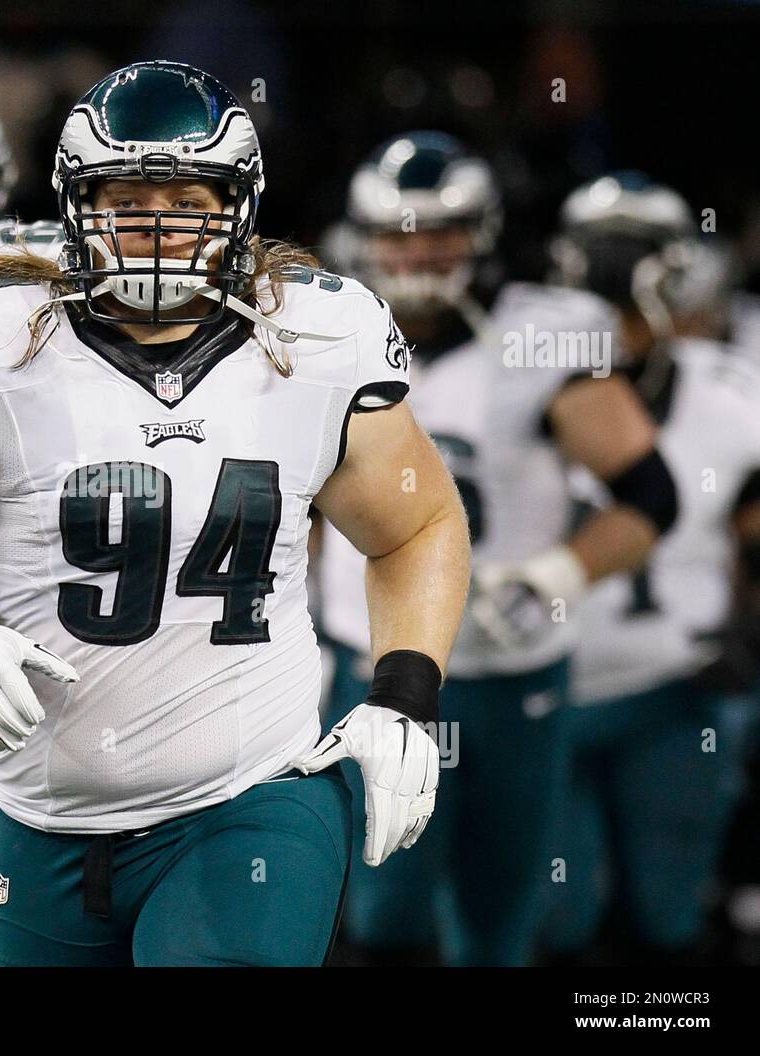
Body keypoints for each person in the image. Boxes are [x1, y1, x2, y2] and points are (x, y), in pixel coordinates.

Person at [0, 60, 471, 968]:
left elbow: (416, 526)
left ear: (238, 207)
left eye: (188, 198)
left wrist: (404, 695)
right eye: (126, 197)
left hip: (251, 796)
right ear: (74, 207)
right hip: (38, 817)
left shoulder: (320, 338)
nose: (158, 225)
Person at [316, 134, 680, 966]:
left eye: (440, 230)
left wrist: (560, 572)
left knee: (503, 911)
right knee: (381, 914)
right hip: (370, 669)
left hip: (513, 679)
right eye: (398, 231)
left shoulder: (540, 337)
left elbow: (650, 494)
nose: (416, 251)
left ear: (482, 232)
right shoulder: (323, 334)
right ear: (363, 236)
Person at [546, 173, 760, 962]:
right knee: (555, 921)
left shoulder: (732, 392)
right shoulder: (514, 380)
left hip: (674, 692)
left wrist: (746, 634)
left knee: (667, 919)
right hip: (542, 691)